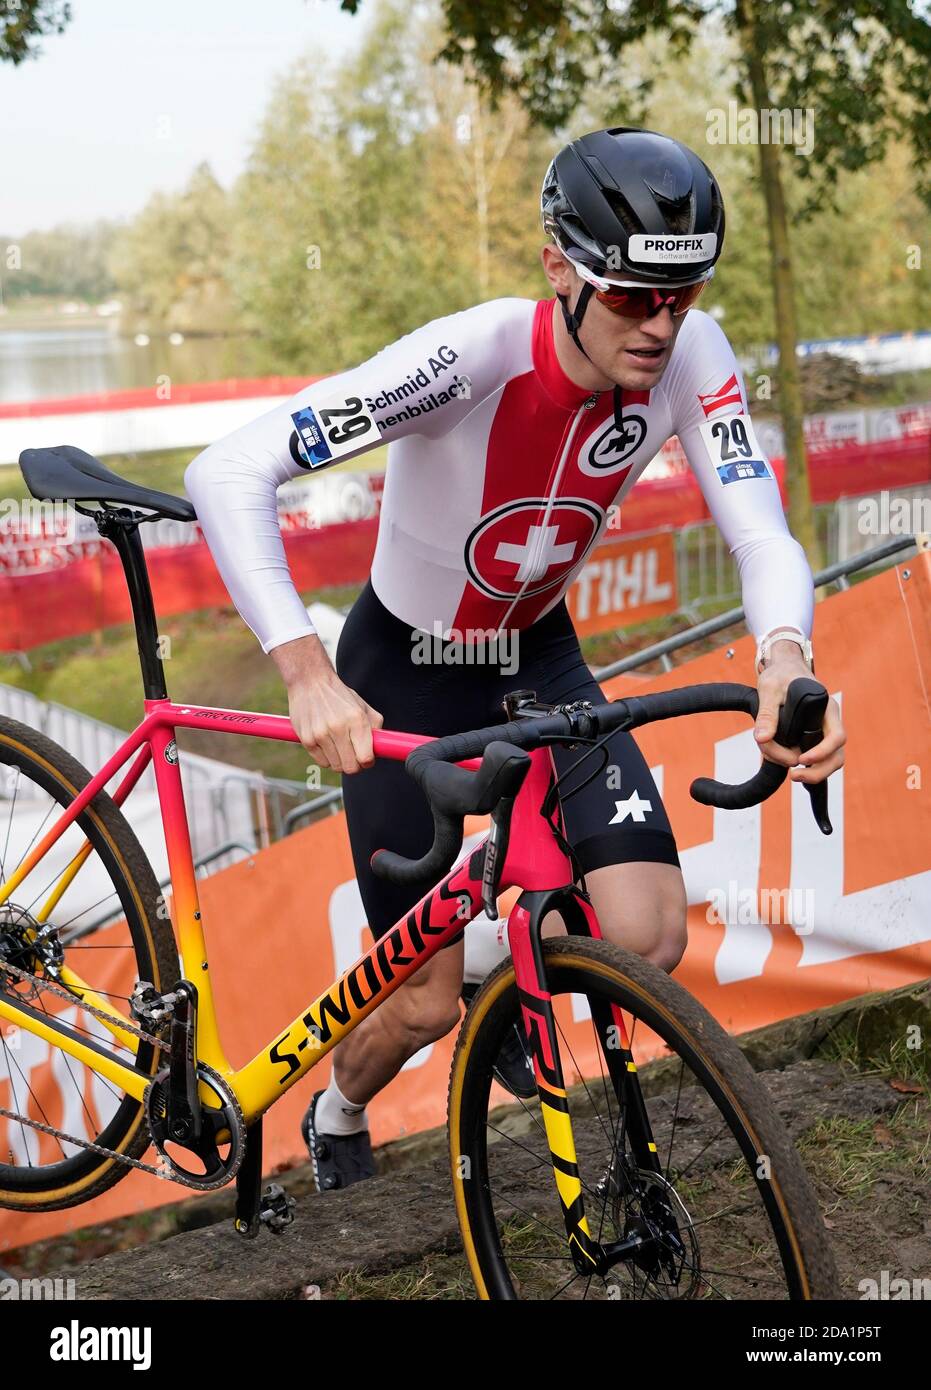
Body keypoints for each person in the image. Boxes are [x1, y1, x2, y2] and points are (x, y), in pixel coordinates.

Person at [184, 126, 846, 1192]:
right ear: (559, 269)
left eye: (682, 296)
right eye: (629, 296)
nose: (659, 324)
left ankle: (502, 956)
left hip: (536, 654)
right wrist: (306, 671)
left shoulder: (693, 354)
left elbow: (760, 532)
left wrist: (782, 657)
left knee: (646, 933)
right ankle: (338, 1109)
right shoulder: (470, 356)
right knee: (419, 1004)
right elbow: (226, 471)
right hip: (403, 669)